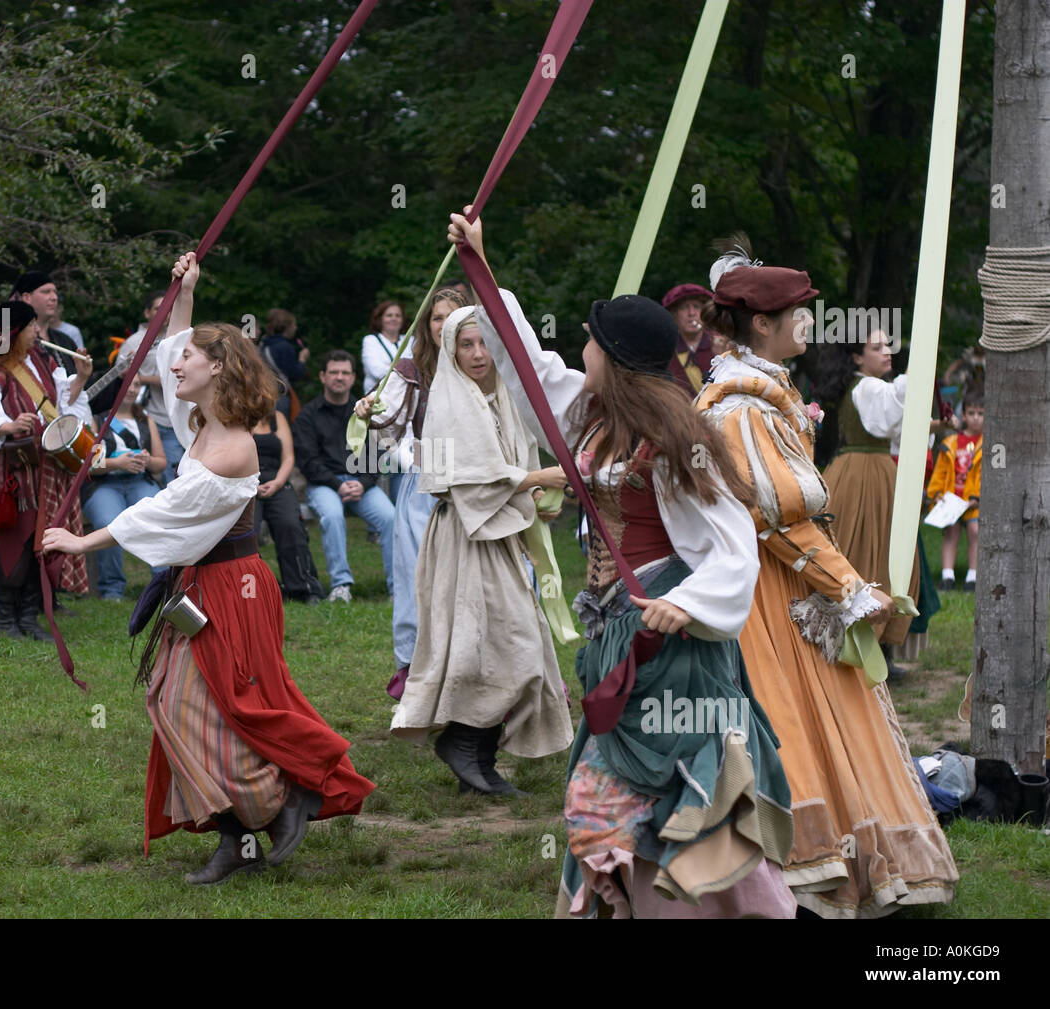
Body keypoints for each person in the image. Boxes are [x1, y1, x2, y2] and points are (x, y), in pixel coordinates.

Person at [450, 211, 795, 917]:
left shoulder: (669, 437)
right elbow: (530, 369)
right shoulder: (598, 417)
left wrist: (686, 604)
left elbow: (734, 541)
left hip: (670, 644)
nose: (580, 349)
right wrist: (480, 268)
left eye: (590, 340)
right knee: (619, 801)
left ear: (614, 356)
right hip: (619, 632)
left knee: (668, 796)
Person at [42, 251, 374, 884]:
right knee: (182, 703)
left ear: (217, 367)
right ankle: (237, 833)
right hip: (200, 584)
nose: (174, 365)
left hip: (234, 588)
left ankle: (277, 800)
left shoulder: (233, 447)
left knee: (212, 705)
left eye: (189, 358)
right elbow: (174, 346)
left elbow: (165, 510)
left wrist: (84, 543)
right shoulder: (200, 421)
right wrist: (186, 292)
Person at [696, 236, 957, 917]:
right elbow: (778, 518)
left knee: (815, 714)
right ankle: (797, 866)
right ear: (762, 324)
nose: (810, 322)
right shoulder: (742, 406)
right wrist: (850, 588)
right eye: (798, 313)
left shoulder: (758, 392)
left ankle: (810, 857)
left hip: (779, 578)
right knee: (789, 715)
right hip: (766, 589)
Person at [389, 295, 575, 798]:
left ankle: (478, 758)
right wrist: (536, 478)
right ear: (450, 350)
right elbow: (464, 481)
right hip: (466, 539)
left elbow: (509, 468)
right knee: (504, 646)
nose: (477, 354)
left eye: (484, 343)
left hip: (499, 537)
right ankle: (465, 746)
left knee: (509, 646)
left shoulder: (502, 400)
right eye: (466, 345)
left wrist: (536, 497)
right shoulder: (449, 403)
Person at [356, 286, 466, 697]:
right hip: (425, 489)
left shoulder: (484, 363)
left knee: (479, 579)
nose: (443, 324)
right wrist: (370, 411)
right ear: (426, 324)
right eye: (437, 317)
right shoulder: (412, 368)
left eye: (452, 316)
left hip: (477, 485)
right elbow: (388, 428)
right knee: (419, 578)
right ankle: (420, 675)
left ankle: (482, 674)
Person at [0, 301, 93, 638]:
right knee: (10, 545)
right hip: (10, 476)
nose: (37, 331)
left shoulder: (40, 363)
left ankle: (30, 619)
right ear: (15, 331)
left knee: (39, 544)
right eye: (31, 326)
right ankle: (7, 620)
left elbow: (60, 409)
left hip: (43, 474)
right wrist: (8, 425)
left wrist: (81, 377)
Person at [813, 326, 926, 670]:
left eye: (887, 345)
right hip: (866, 475)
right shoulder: (869, 387)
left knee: (875, 549)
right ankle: (865, 644)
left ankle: (871, 644)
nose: (887, 351)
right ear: (857, 358)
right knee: (869, 551)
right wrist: (919, 368)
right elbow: (897, 400)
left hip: (862, 471)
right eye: (877, 347)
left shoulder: (861, 387)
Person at [292, 351, 394, 602]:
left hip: (362, 484)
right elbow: (308, 461)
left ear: (353, 378)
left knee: (391, 518)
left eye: (345, 373)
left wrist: (363, 484)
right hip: (325, 485)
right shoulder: (308, 415)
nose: (339, 377)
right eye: (334, 372)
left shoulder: (365, 412)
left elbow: (378, 453)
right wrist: (338, 485)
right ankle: (341, 586)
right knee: (333, 516)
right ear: (323, 377)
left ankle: (397, 587)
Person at [83, 373, 167, 601]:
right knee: (107, 523)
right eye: (127, 384)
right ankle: (112, 589)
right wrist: (116, 464)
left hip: (140, 480)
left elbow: (161, 463)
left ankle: (163, 584)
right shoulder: (98, 419)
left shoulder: (146, 419)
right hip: (106, 483)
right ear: (115, 387)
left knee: (158, 517)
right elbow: (89, 465)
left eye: (137, 385)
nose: (132, 389)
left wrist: (147, 461)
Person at [252, 408, 325, 603]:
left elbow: (288, 458)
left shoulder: (277, 417)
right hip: (245, 483)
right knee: (248, 532)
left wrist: (277, 483)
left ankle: (304, 587)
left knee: (290, 524)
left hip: (277, 480)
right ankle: (263, 589)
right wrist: (250, 485)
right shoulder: (235, 417)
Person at [117, 289, 186, 478]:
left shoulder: (178, 341)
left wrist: (143, 377)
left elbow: (180, 378)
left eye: (169, 309)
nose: (165, 313)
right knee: (140, 473)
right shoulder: (133, 343)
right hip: (142, 419)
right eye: (158, 309)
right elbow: (119, 381)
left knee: (172, 477)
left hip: (172, 419)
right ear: (147, 313)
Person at [927, 387, 983, 591]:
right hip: (951, 499)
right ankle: (947, 576)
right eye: (971, 413)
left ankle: (973, 577)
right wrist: (937, 494)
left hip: (973, 501)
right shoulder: (950, 443)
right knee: (950, 532)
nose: (976, 418)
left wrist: (978, 497)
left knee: (975, 531)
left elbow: (987, 475)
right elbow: (940, 472)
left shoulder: (990, 445)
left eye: (981, 413)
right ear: (964, 415)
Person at [661, 283, 715, 395]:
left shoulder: (720, 343)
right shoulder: (665, 350)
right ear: (674, 314)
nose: (691, 313)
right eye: (684, 308)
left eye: (696, 306)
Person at [259, 308, 310, 420]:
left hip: (265, 395)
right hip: (281, 395)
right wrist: (302, 360)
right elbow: (295, 374)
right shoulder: (285, 347)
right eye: (294, 325)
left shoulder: (264, 344)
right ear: (286, 327)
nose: (296, 328)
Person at [360, 300, 409, 393]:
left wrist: (390, 366)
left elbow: (417, 369)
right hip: (377, 397)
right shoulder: (370, 341)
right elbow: (377, 371)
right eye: (389, 315)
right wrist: (405, 370)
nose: (394, 318)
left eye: (398, 315)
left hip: (405, 396)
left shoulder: (411, 341)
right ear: (380, 319)